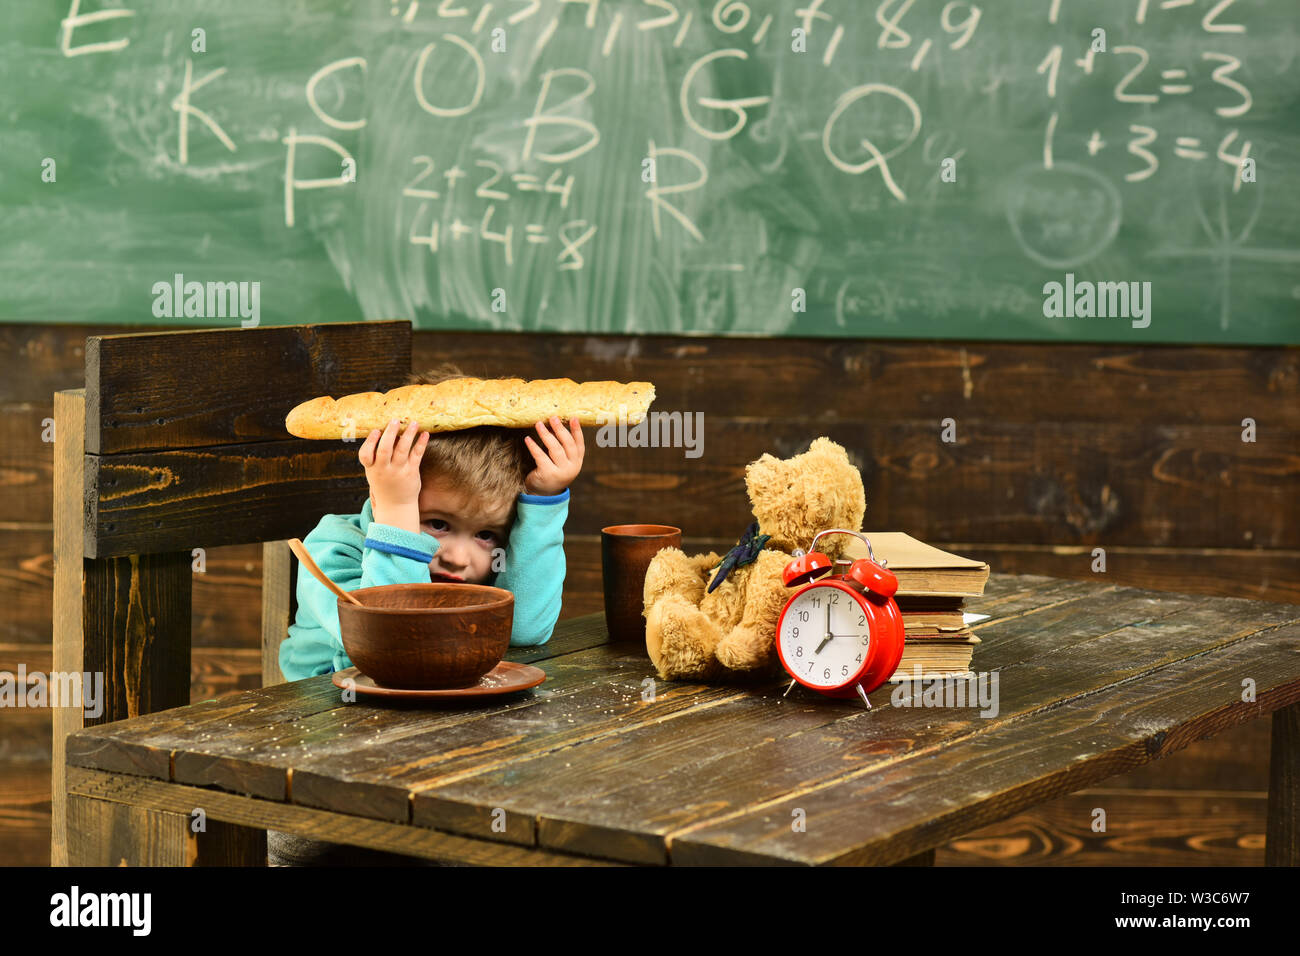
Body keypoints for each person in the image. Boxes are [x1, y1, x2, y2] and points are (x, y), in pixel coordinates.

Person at [269, 363, 584, 865]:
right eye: (438, 523)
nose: (461, 558)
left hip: (444, 764)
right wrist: (396, 514)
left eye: (487, 536)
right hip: (325, 779)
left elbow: (526, 631)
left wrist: (542, 504)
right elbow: (395, 643)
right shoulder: (333, 550)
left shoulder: (475, 569)